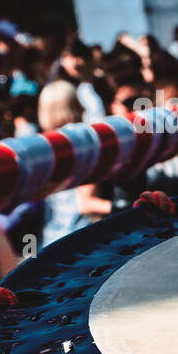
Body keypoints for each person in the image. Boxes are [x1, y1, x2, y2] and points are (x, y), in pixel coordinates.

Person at [36, 82, 112, 244]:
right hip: (79, 239)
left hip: (51, 239)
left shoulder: (42, 145)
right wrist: (126, 208)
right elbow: (85, 203)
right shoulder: (80, 142)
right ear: (74, 105)